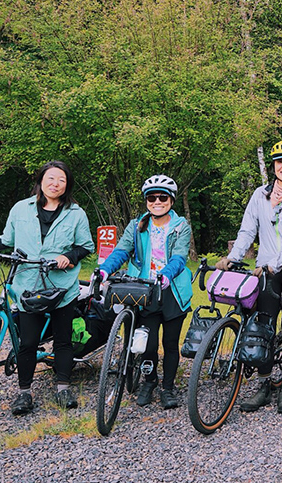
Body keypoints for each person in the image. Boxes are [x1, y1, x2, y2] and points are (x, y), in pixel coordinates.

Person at [0, 160, 95, 414]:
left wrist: (70, 257)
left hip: (62, 286)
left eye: (61, 180)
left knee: (63, 340)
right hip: (27, 285)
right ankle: (24, 394)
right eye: (51, 178)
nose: (55, 184)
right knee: (28, 342)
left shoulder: (76, 213)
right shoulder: (21, 209)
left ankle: (63, 388)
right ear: (41, 180)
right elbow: (6, 240)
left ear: (67, 186)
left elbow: (86, 246)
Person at [218, 140, 282, 416]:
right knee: (263, 325)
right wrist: (232, 259)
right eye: (280, 162)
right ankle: (263, 385)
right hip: (264, 269)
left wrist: (273, 265)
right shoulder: (258, 195)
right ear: (273, 166)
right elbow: (247, 231)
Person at [97, 175, 193, 409]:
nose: (157, 201)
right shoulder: (136, 225)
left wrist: (167, 274)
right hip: (144, 291)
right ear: (146, 201)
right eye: (151, 197)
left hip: (172, 292)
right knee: (147, 345)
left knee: (170, 343)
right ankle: (149, 381)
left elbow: (180, 257)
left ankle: (168, 388)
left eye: (162, 197)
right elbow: (121, 251)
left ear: (171, 200)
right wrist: (104, 270)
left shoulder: (181, 226)